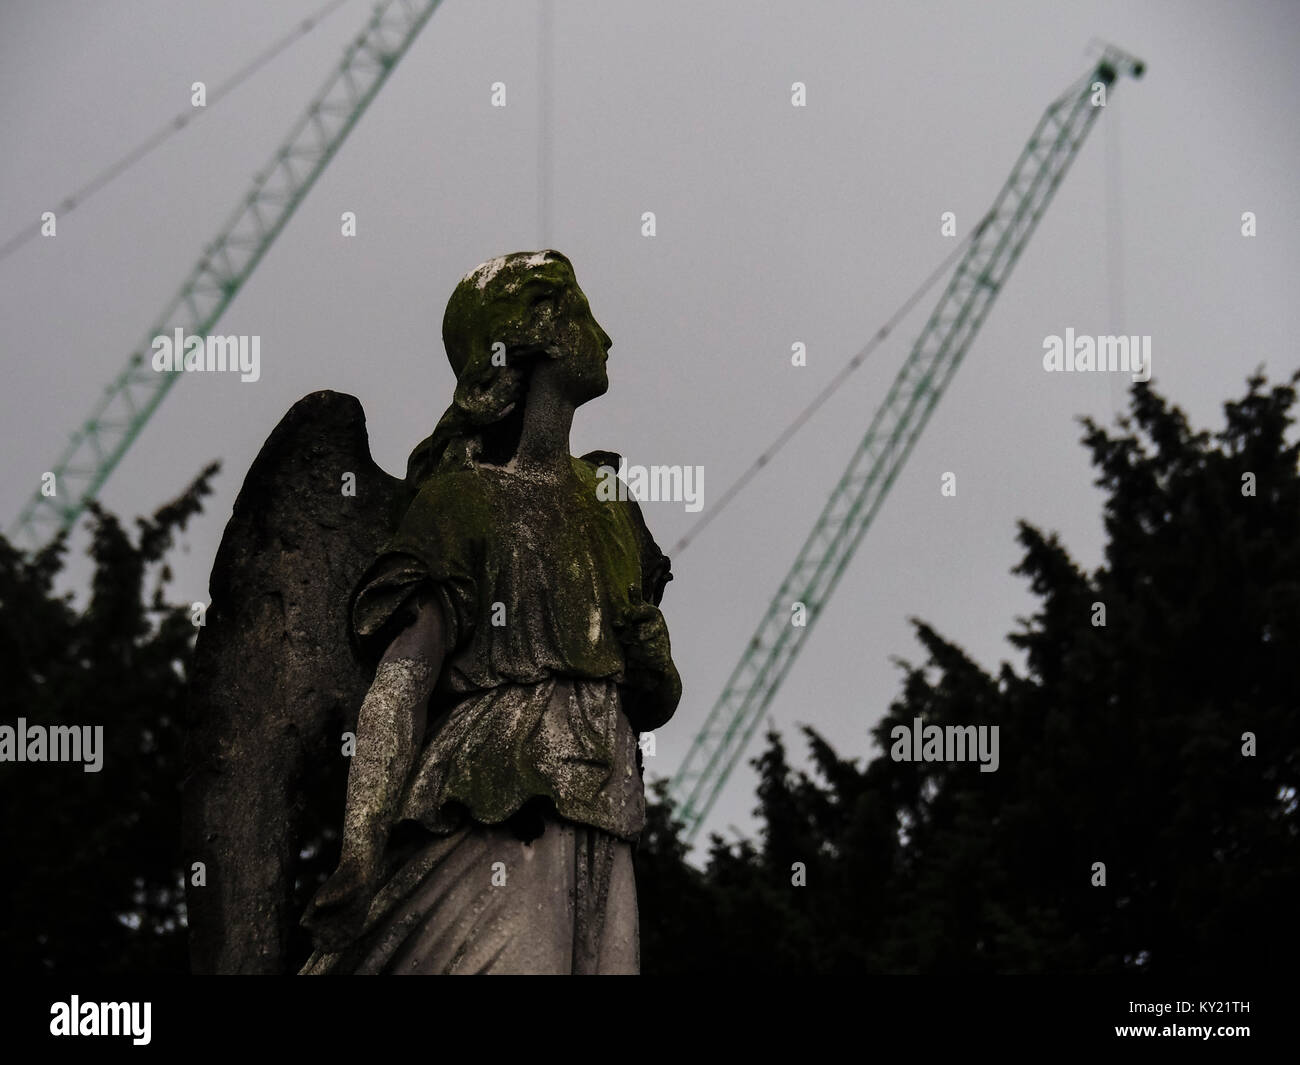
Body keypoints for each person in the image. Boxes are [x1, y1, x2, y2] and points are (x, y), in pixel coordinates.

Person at [299, 251, 681, 974]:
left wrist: (655, 662)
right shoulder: (460, 502)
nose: (604, 336)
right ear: (536, 331)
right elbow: (402, 684)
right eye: (581, 312)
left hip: (608, 812)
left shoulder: (613, 507)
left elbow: (652, 702)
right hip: (498, 807)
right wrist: (359, 846)